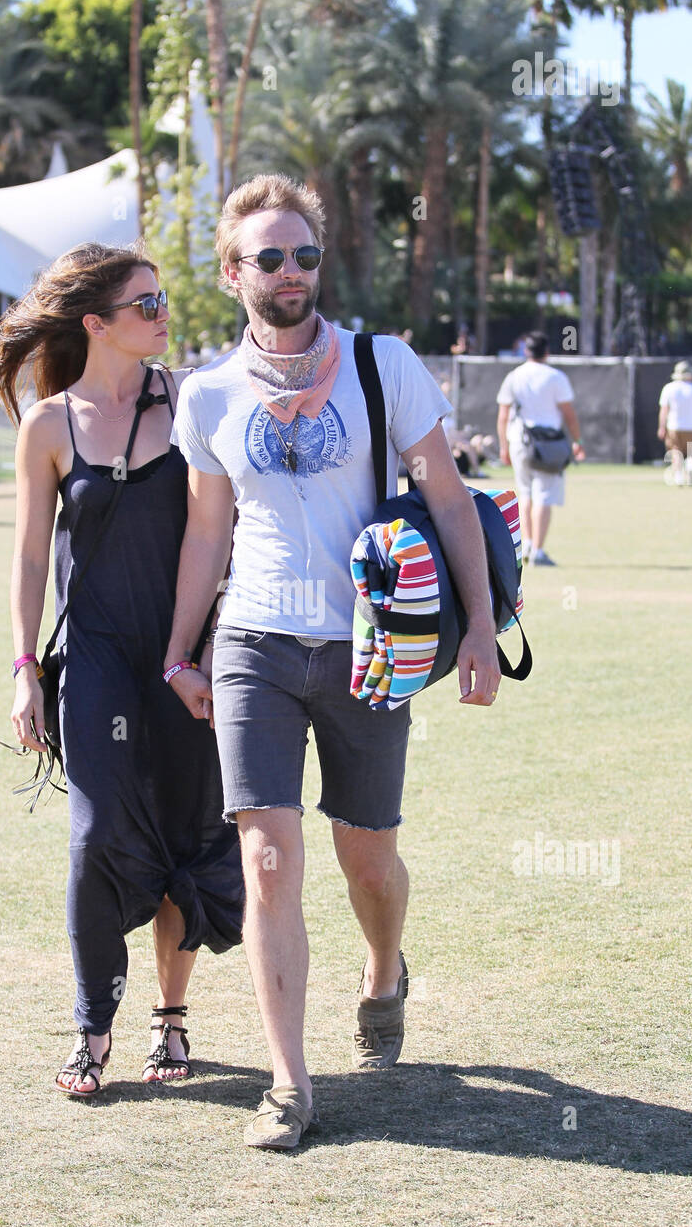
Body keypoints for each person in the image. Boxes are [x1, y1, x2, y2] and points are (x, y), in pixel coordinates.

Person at [163, 174, 501, 1149]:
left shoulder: (378, 364)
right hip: (255, 647)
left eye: (304, 254)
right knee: (266, 858)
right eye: (269, 257)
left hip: (369, 648)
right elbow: (203, 536)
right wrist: (179, 651)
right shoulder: (212, 394)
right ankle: (288, 1082)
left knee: (367, 857)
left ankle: (384, 968)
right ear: (232, 273)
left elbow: (447, 499)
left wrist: (477, 627)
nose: (291, 271)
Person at [0, 241, 244, 1095]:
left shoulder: (194, 399)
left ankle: (170, 1023)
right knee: (96, 837)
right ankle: (93, 1028)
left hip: (185, 659)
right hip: (94, 660)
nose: (164, 313)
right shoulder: (50, 424)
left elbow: (230, 534)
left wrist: (206, 649)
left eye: (163, 298)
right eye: (146, 304)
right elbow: (29, 558)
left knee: (188, 836)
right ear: (96, 324)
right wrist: (25, 666)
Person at [496, 330, 585, 566]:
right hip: (548, 445)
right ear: (547, 351)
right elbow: (569, 414)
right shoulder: (556, 377)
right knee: (544, 495)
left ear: (526, 351)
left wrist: (503, 446)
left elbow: (503, 415)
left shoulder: (514, 376)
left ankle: (526, 543)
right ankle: (538, 550)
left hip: (519, 441)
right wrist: (578, 441)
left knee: (525, 494)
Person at [658, 361, 692, 485]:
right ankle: (690, 467)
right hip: (691, 427)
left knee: (675, 451)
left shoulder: (669, 388)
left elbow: (664, 411)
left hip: (673, 427)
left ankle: (678, 476)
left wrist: (661, 427)